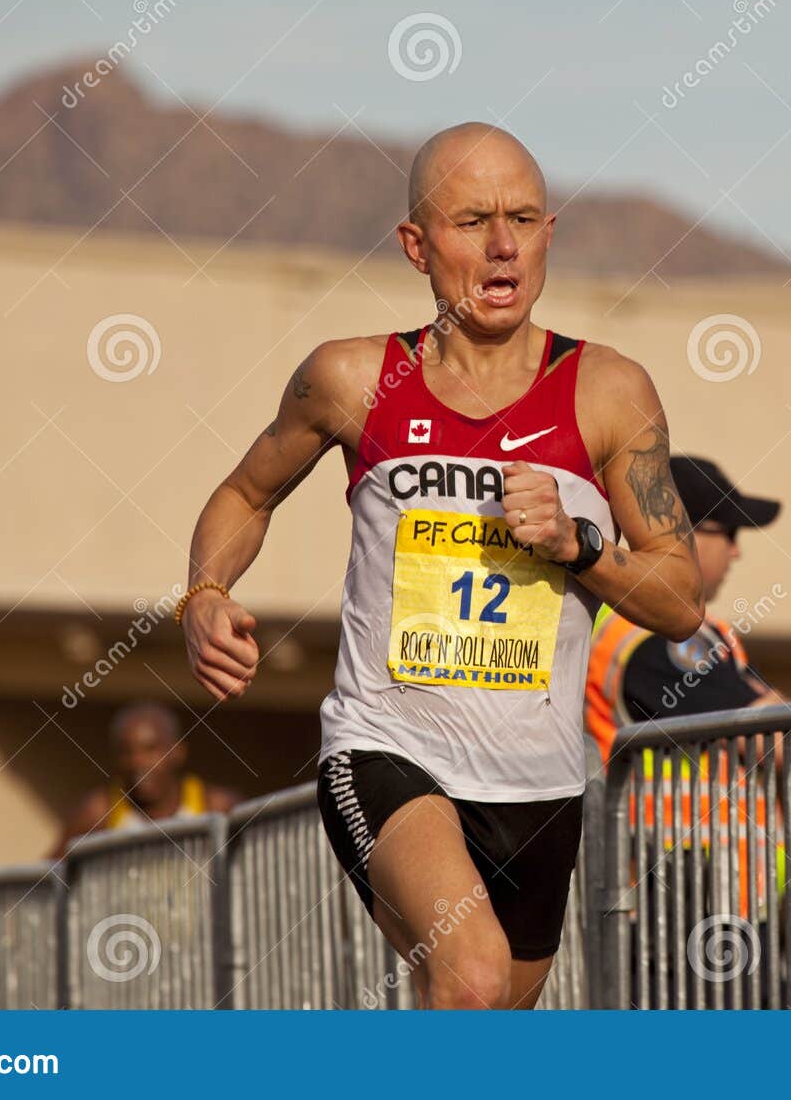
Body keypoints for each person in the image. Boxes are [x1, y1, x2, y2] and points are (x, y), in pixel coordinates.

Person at [178, 122, 704, 1009]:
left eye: (524, 218)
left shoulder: (608, 391)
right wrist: (203, 595)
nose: (503, 245)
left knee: (482, 1007)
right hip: (389, 746)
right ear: (417, 246)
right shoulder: (351, 379)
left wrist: (580, 547)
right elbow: (245, 492)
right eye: (472, 222)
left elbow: (681, 596)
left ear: (548, 235)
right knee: (473, 970)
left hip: (537, 780)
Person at [586, 454, 790, 756]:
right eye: (729, 533)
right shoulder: (653, 631)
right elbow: (784, 743)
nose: (736, 552)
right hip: (668, 806)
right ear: (683, 534)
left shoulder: (688, 626)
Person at [54, 702, 239, 857]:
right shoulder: (99, 812)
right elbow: (48, 876)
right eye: (127, 752)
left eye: (150, 749)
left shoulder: (216, 807)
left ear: (177, 752)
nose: (137, 761)